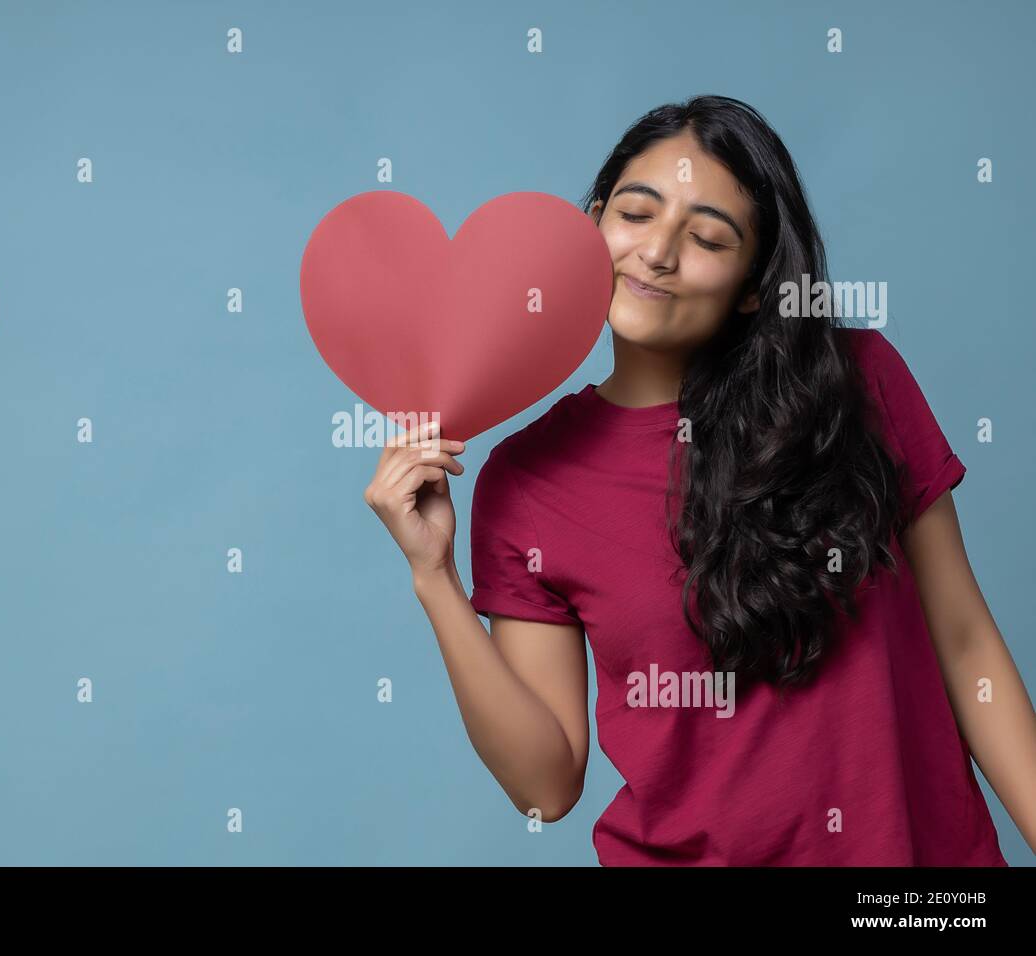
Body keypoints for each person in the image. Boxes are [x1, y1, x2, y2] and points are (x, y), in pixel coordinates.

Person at [363, 95, 1036, 866]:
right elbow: (546, 788)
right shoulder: (526, 481)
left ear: (754, 282)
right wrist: (433, 577)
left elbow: (966, 641)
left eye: (708, 236)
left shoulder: (856, 383)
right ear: (590, 226)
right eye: (636, 214)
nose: (657, 254)